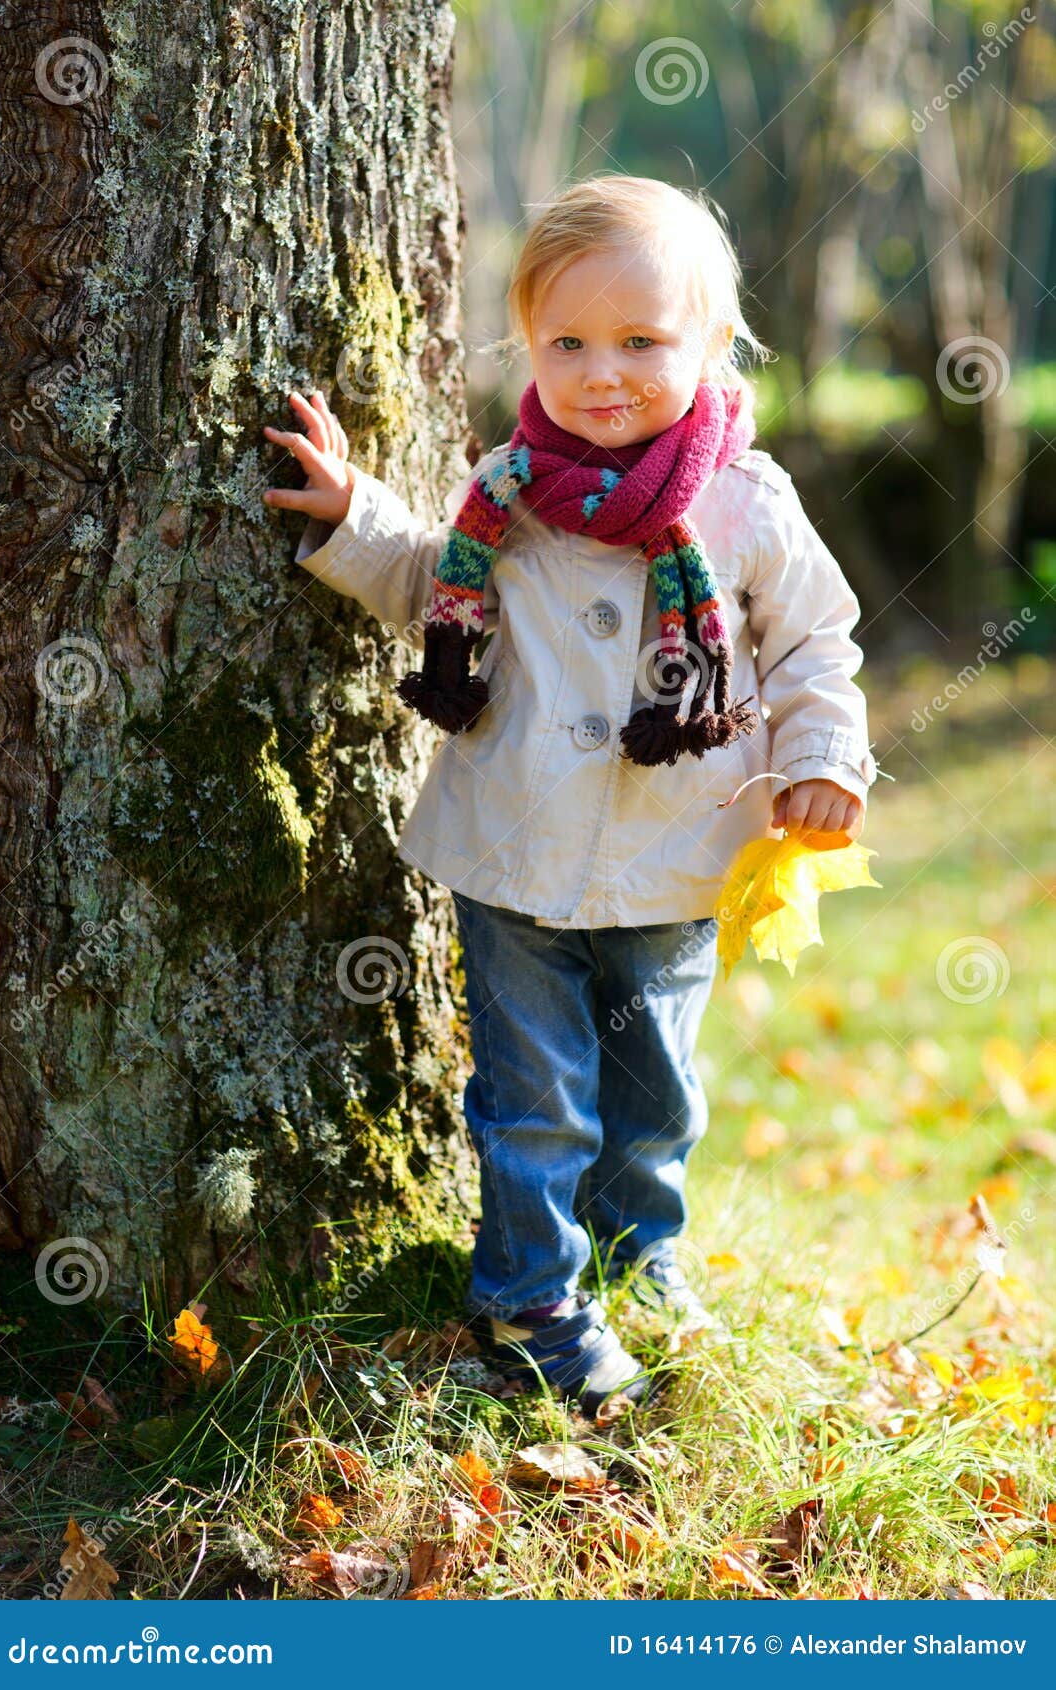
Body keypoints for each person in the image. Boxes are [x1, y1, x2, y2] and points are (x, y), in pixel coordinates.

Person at [262, 174, 878, 1417]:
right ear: (529, 345)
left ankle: (640, 1260)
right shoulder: (508, 489)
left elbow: (812, 644)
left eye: (641, 342)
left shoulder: (745, 502)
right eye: (567, 344)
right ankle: (530, 1296)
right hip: (517, 853)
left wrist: (822, 759)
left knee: (653, 1094)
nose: (603, 374)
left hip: (673, 855)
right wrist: (352, 514)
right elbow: (431, 582)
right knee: (531, 1100)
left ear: (712, 343)